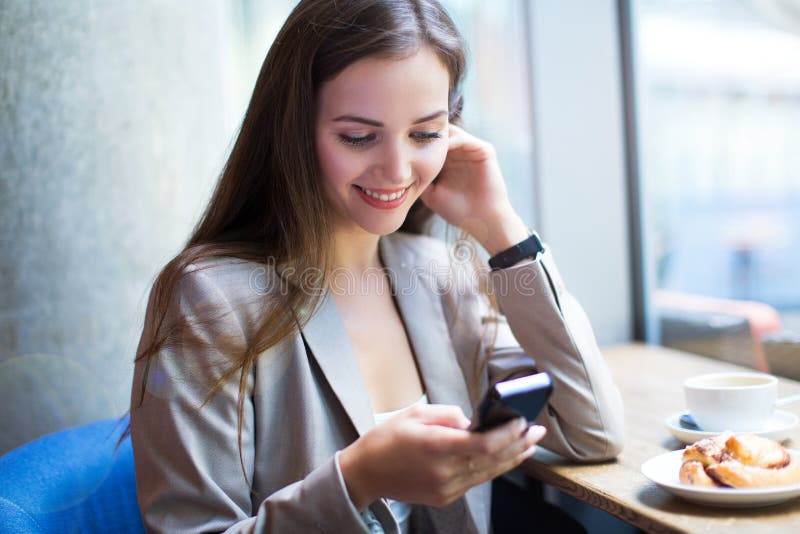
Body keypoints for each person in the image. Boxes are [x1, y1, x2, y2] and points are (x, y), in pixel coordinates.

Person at [128, 1, 625, 532]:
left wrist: (502, 229)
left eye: (426, 134)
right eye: (358, 137)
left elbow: (590, 429)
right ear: (294, 130)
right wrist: (359, 479)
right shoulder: (211, 299)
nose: (396, 170)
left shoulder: (440, 276)